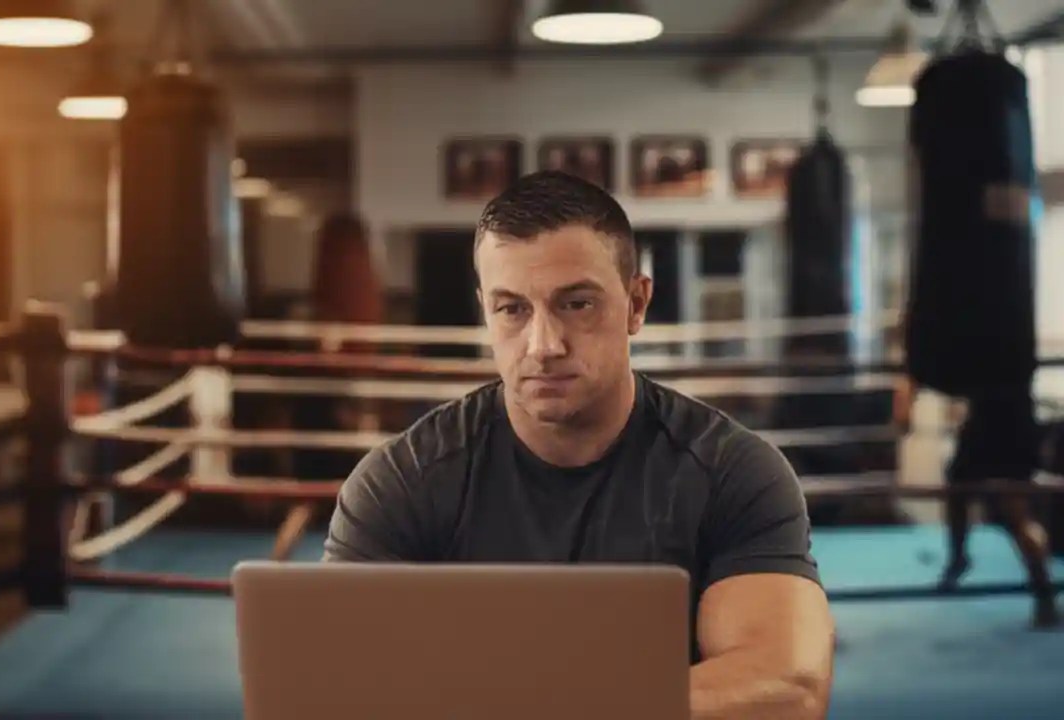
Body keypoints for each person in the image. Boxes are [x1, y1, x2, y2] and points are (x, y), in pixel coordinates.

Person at [324, 171, 835, 719]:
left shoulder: (733, 472)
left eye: (577, 304)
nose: (544, 345)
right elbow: (332, 687)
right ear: (485, 310)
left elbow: (787, 687)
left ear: (637, 302)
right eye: (512, 309)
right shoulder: (404, 480)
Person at [894, 376, 1059, 627]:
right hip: (1015, 419)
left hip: (993, 422)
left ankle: (960, 557)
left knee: (1002, 505)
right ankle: (1042, 591)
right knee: (989, 497)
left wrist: (908, 399)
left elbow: (926, 369)